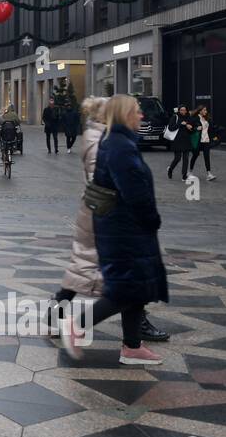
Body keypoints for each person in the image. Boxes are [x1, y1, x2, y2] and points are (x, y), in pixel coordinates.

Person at [60, 93, 169, 365]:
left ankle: (132, 347)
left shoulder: (117, 141)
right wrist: (151, 219)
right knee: (124, 290)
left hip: (121, 227)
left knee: (135, 290)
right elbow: (133, 192)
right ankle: (78, 325)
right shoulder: (120, 146)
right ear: (124, 115)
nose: (142, 116)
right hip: (125, 230)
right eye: (137, 111)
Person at [166, 105, 197, 180]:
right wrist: (180, 124)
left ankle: (184, 175)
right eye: (181, 110)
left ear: (187, 110)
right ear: (179, 110)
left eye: (185, 110)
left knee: (186, 158)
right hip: (177, 141)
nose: (183, 111)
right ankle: (170, 169)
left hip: (186, 140)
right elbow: (171, 128)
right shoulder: (175, 117)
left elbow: (193, 130)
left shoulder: (189, 118)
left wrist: (190, 128)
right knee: (178, 158)